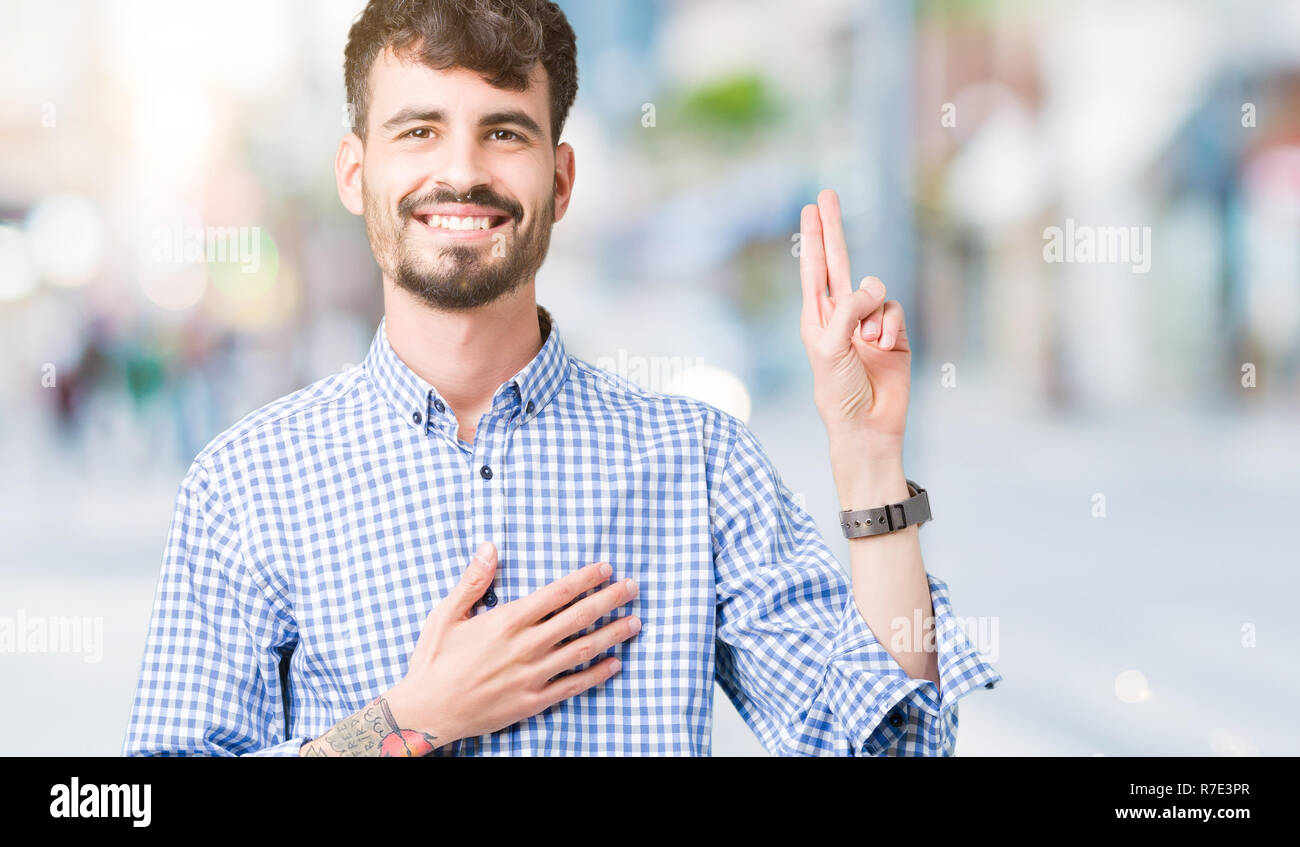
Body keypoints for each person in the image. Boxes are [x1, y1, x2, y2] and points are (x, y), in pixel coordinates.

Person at [122, 0, 1000, 757]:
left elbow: (889, 745)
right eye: (419, 129)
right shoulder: (245, 485)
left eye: (504, 131)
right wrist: (406, 721)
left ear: (561, 176)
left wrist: (867, 454)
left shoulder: (698, 462)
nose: (461, 171)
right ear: (357, 173)